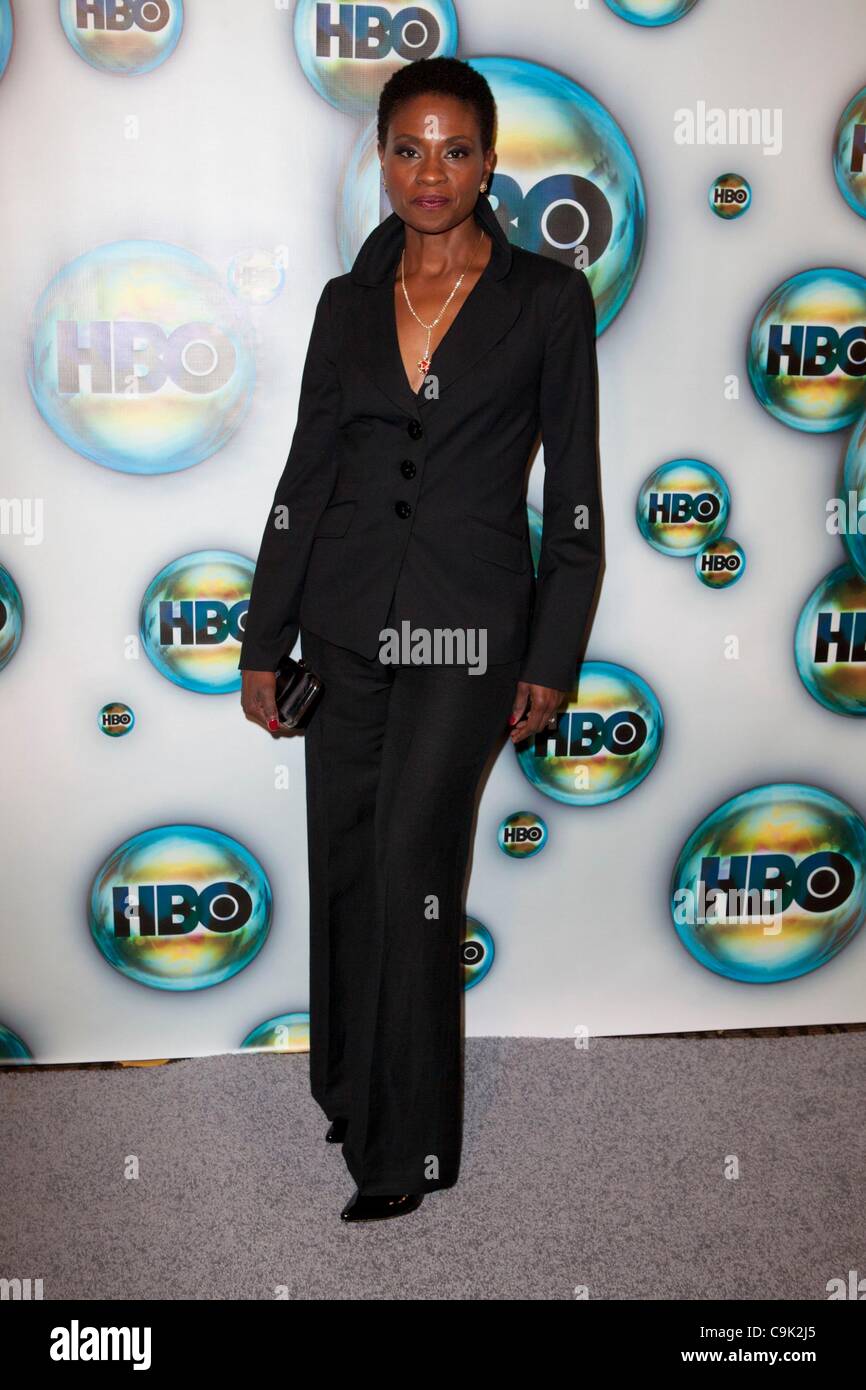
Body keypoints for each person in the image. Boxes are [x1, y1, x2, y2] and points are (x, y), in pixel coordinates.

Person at [239, 56, 603, 1222]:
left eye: (454, 149)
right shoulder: (346, 306)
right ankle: (347, 1082)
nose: (429, 171)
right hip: (344, 627)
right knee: (345, 858)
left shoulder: (547, 301)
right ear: (380, 159)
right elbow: (307, 476)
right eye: (407, 148)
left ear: (488, 163)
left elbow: (579, 501)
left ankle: (403, 1153)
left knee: (410, 867)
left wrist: (550, 657)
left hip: (467, 633)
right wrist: (263, 634)